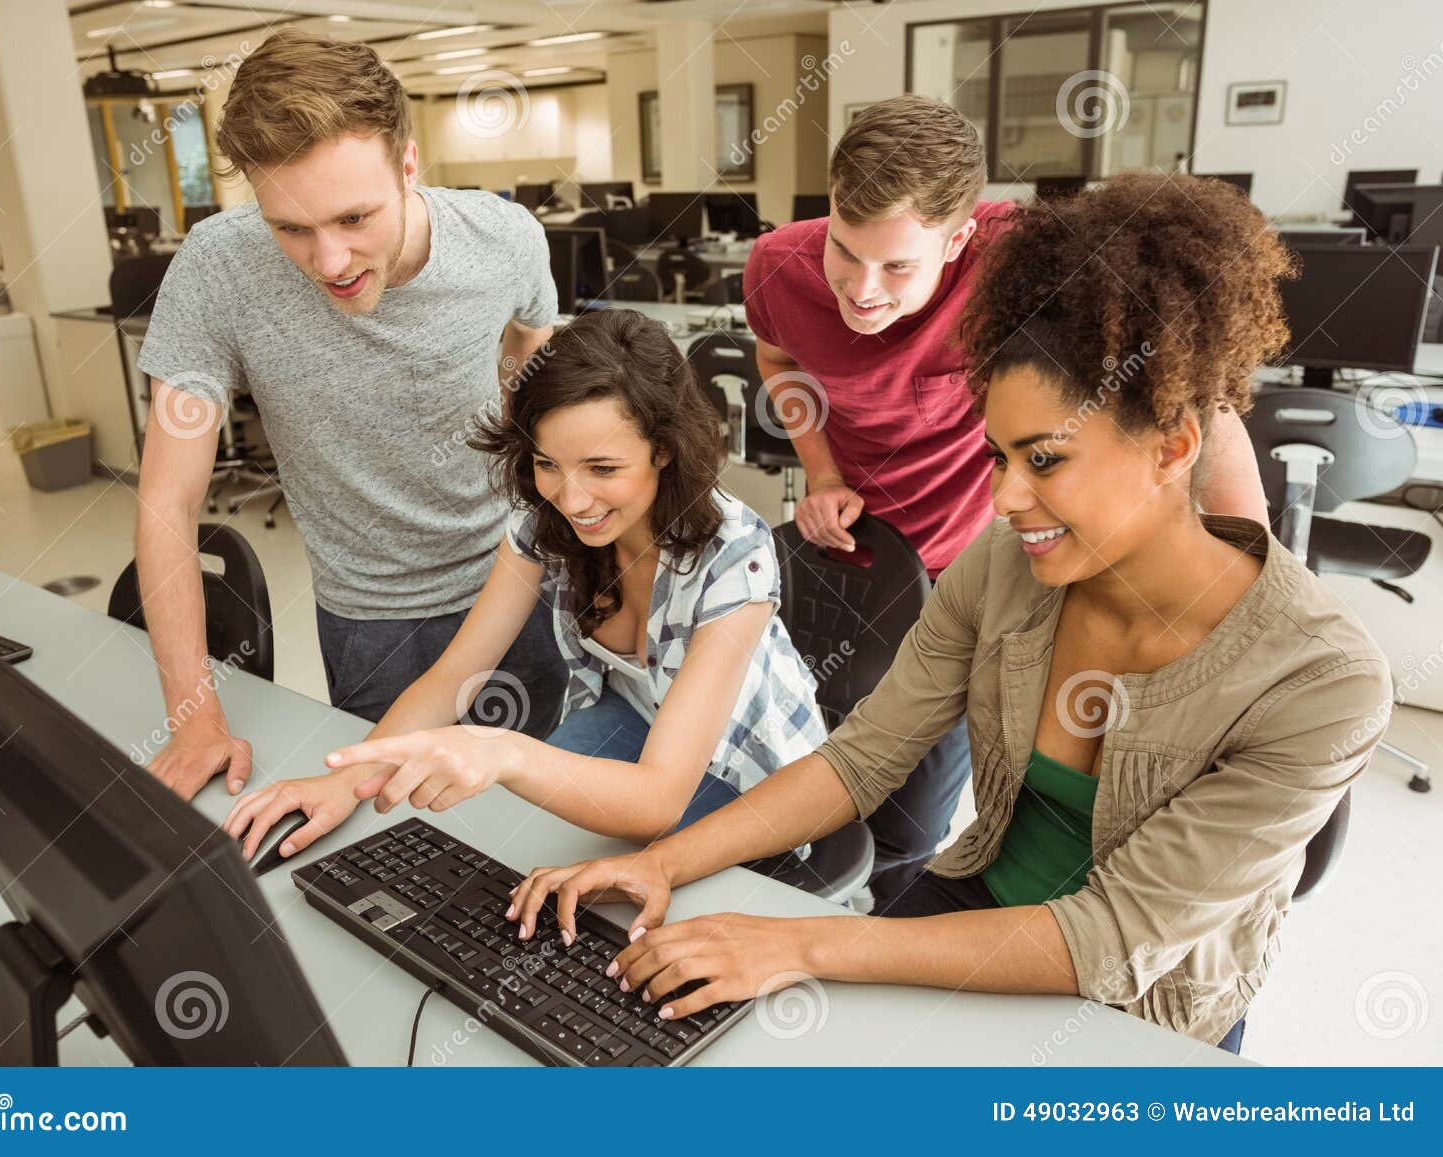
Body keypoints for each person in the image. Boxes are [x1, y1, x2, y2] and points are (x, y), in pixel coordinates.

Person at [504, 173, 1391, 1052]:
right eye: (996, 455)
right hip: (974, 908)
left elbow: (1113, 939)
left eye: (1044, 460)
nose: (1003, 499)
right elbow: (860, 760)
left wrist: (802, 940)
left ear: (1173, 445)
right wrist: (662, 860)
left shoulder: (1321, 678)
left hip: (1146, 1007)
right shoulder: (1002, 569)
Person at [742, 94, 1271, 904]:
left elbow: (1194, 392)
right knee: (838, 766)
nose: (863, 289)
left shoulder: (1021, 258)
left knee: (918, 822)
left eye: (898, 267)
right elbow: (777, 357)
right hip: (864, 550)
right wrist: (820, 469)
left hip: (986, 554)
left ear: (957, 241)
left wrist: (1245, 568)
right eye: (847, 253)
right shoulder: (780, 267)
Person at [133, 29, 566, 802]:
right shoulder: (216, 267)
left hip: (518, 585)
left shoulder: (503, 240)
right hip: (370, 621)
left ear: (407, 166)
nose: (329, 262)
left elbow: (534, 336)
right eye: (290, 228)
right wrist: (192, 719)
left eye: (354, 218)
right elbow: (168, 499)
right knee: (394, 843)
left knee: (530, 832)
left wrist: (518, 437)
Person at [224, 309, 826, 863]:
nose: (572, 500)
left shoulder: (736, 556)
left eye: (603, 468)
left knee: (584, 875)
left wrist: (505, 751)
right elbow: (454, 676)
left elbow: (657, 800)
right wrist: (344, 783)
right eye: (547, 465)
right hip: (636, 717)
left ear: (664, 451)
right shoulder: (545, 522)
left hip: (746, 770)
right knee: (517, 848)